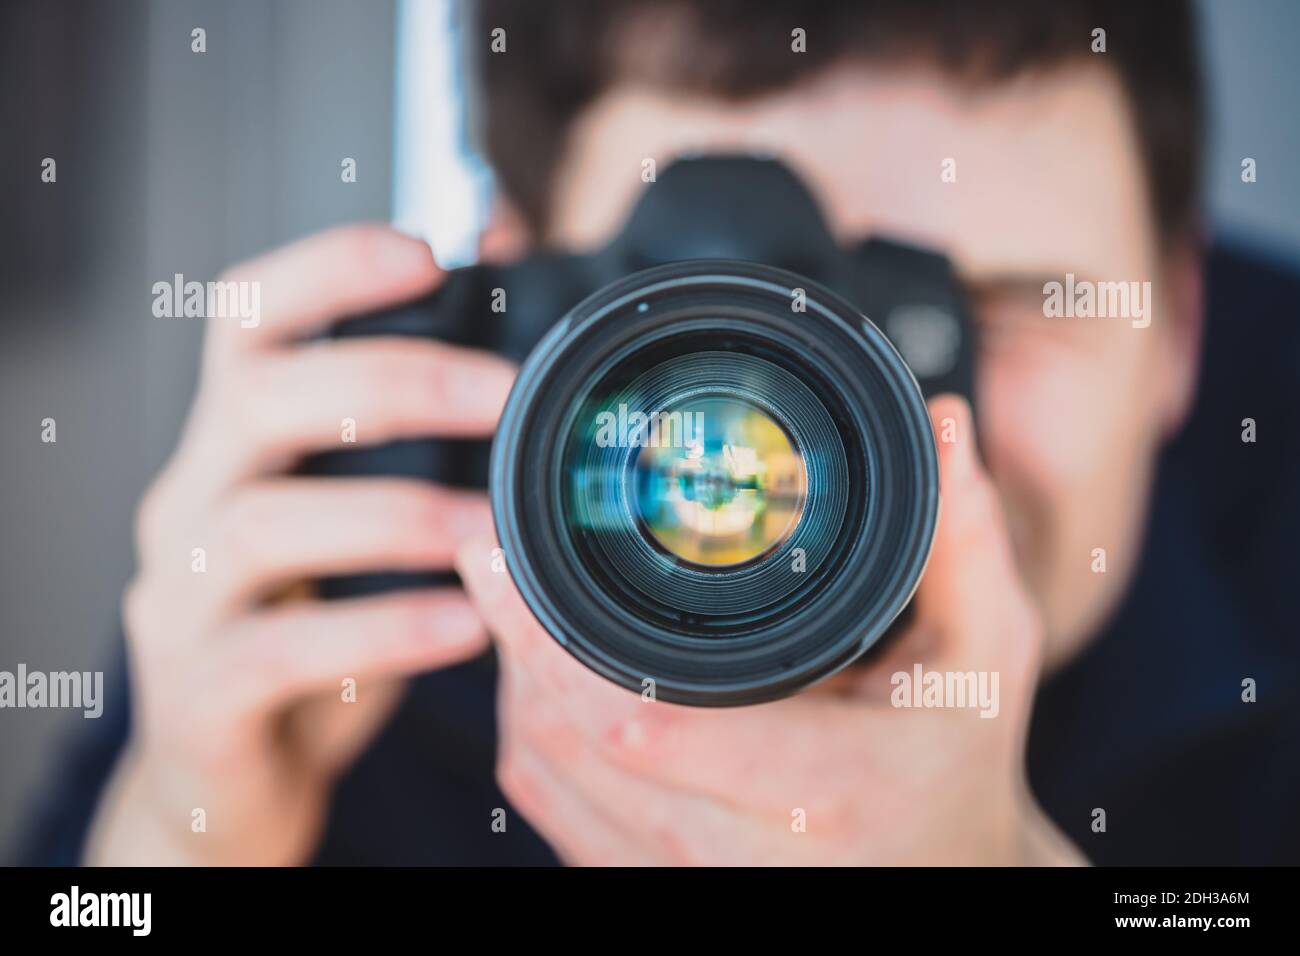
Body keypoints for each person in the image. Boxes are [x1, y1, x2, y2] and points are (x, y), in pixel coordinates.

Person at [19, 0, 1300, 865]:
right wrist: (178, 836)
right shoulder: (349, 561)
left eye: (981, 313)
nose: (833, 428)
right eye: (690, 324)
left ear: (1178, 323)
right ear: (521, 295)